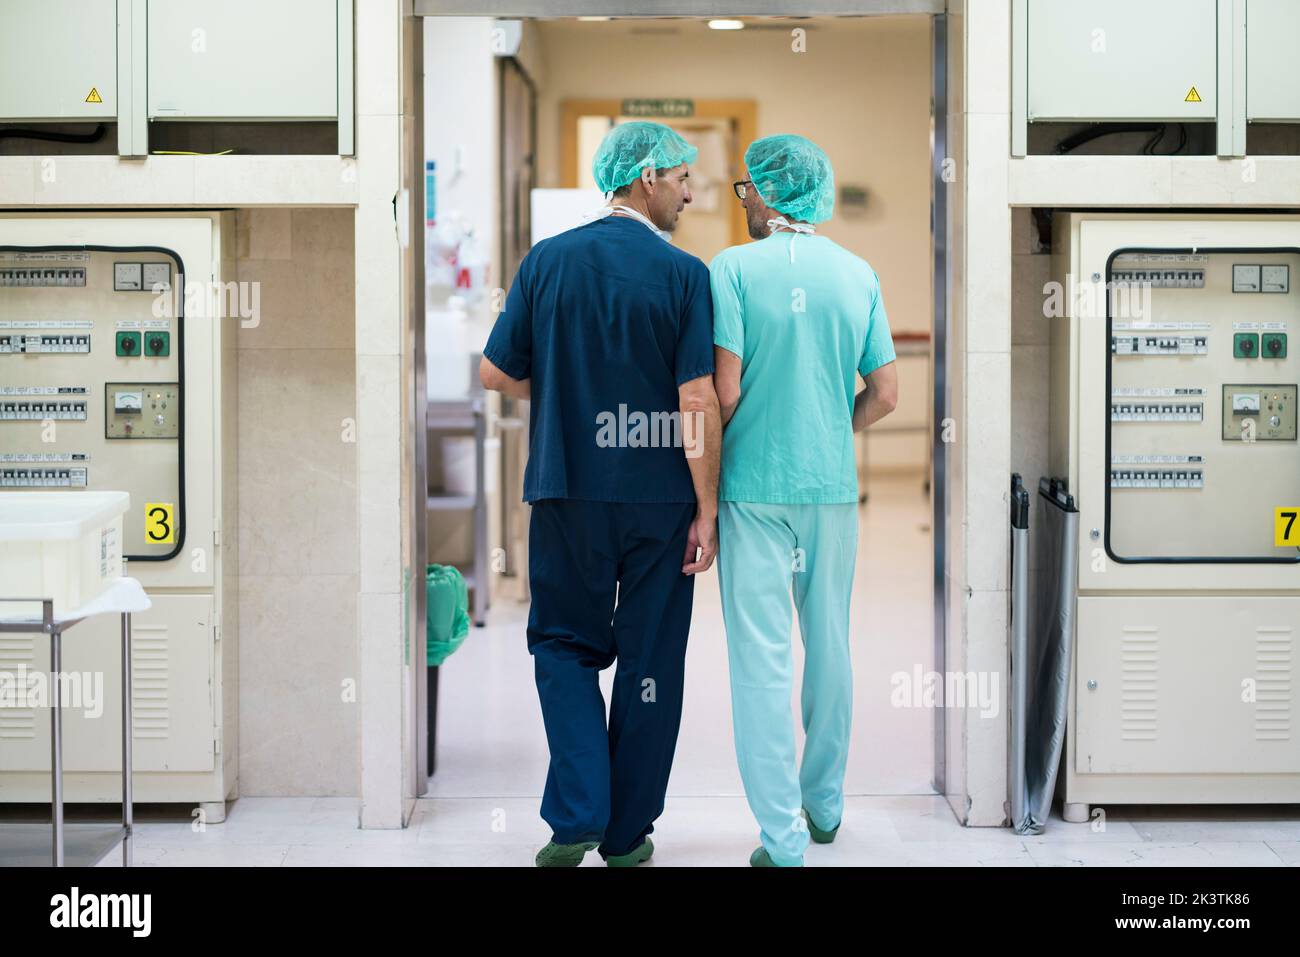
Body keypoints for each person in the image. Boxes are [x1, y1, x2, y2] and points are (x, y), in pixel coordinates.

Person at [479, 121, 721, 868]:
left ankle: (577, 812)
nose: (690, 190)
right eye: (683, 176)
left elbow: (495, 373)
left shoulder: (547, 262)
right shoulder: (686, 275)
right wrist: (706, 508)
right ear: (645, 176)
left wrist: (559, 392)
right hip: (658, 499)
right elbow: (695, 397)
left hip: (567, 490)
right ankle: (625, 835)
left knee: (562, 646)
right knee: (651, 664)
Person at [710, 134, 898, 867]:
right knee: (830, 645)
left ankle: (782, 839)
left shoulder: (731, 269)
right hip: (829, 489)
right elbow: (885, 393)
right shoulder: (858, 273)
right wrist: (828, 428)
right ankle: (824, 807)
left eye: (747, 189)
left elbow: (723, 391)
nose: (745, 200)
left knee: (761, 658)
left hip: (753, 491)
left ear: (766, 194)